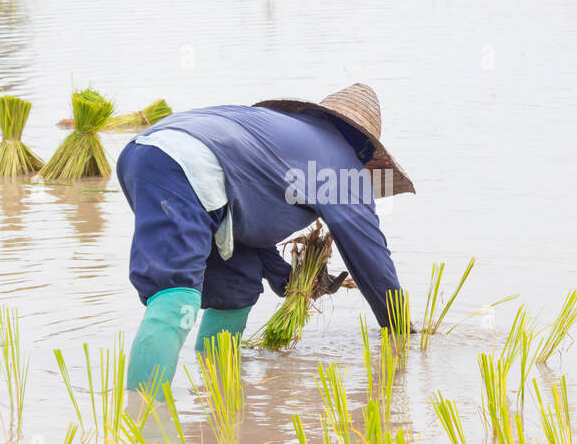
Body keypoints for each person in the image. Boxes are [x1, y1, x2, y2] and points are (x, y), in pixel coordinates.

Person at [116, 83, 415, 397]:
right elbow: (371, 259)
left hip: (145, 154)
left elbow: (250, 225)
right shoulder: (342, 164)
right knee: (176, 294)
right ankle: (145, 428)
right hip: (190, 166)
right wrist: (399, 328)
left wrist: (291, 278)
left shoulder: (286, 136)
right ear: (364, 148)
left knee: (236, 283)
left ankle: (217, 388)